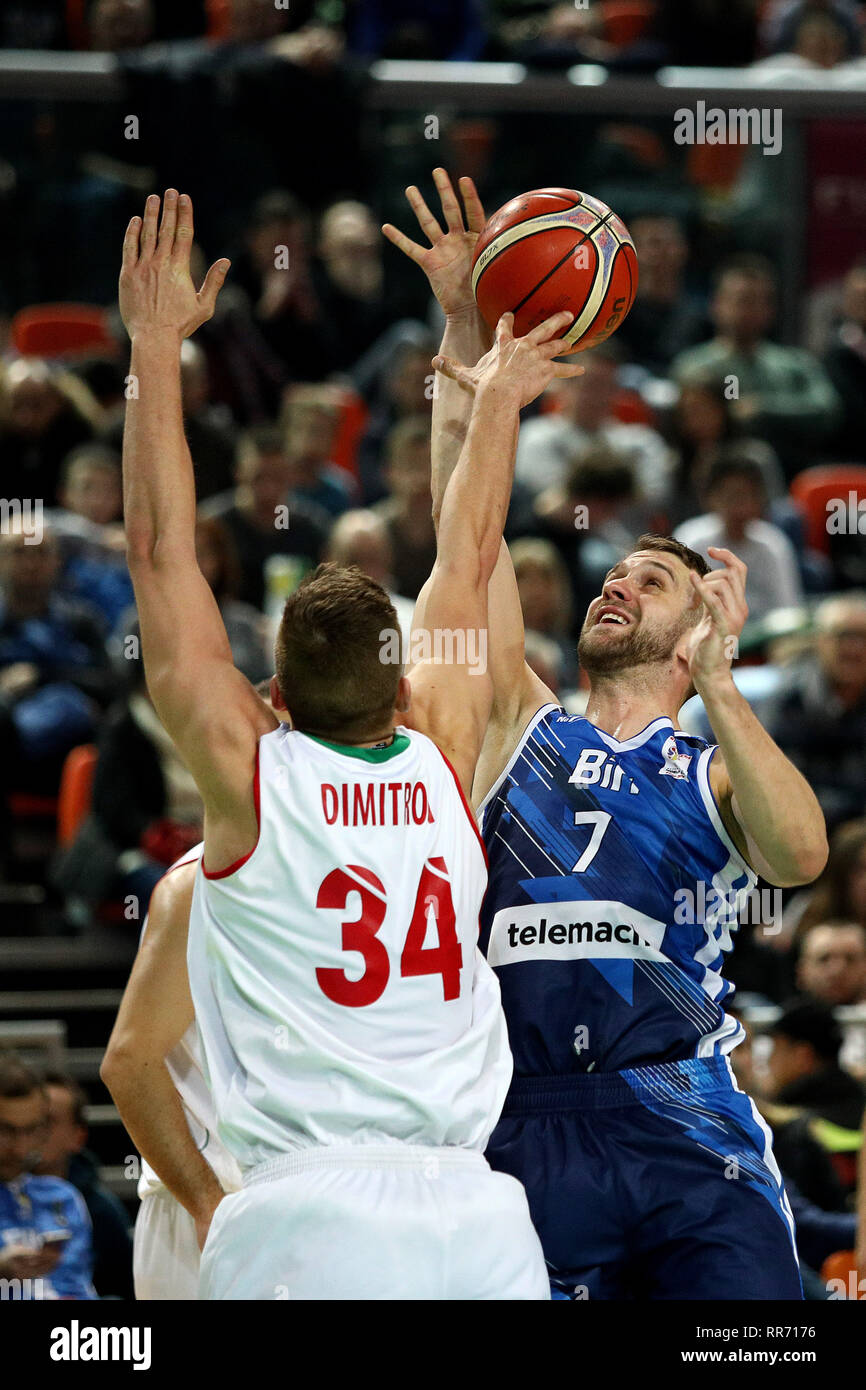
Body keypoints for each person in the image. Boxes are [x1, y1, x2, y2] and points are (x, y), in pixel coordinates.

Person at [115, 187, 582, 1299]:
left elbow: (158, 548)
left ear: (271, 692)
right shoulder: (445, 751)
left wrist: (151, 346)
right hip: (474, 1211)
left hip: (306, 1208)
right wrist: (479, 354)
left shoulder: (249, 775)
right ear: (404, 685)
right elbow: (465, 549)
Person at [388, 166, 829, 1301]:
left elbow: (798, 857)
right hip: (527, 1118)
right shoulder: (512, 726)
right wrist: (466, 328)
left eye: (652, 580)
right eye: (613, 573)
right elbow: (463, 540)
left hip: (681, 1113)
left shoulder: (711, 764)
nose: (616, 587)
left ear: (696, 632)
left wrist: (720, 686)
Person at [103, 845, 243, 1300]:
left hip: (310, 1190)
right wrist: (207, 1206)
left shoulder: (351, 858)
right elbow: (128, 1064)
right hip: (205, 1197)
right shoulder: (195, 885)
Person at [672, 256, 841, 479]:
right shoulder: (695, 365)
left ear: (770, 309)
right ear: (717, 304)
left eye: (758, 301)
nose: (748, 311)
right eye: (741, 300)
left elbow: (827, 410)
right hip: (718, 477)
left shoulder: (795, 363)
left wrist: (761, 408)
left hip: (793, 471)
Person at [753, 595, 866, 834]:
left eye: (863, 638)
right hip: (800, 830)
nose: (854, 648)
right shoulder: (787, 700)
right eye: (844, 635)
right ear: (820, 640)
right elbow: (776, 781)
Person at [0, 1052, 96, 1300]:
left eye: (31, 1129)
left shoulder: (64, 1198)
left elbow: (77, 1287)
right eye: (5, 1131)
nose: (20, 1149)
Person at [33, 1071, 134, 1299]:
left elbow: (124, 1291)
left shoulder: (101, 1211)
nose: (36, 1132)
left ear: (78, 1137)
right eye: (32, 1122)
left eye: (49, 1121)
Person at [674, 445, 803, 623]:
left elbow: (788, 608)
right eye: (733, 496)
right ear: (710, 497)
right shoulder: (691, 539)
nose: (741, 505)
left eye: (749, 495)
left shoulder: (773, 542)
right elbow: (681, 607)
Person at [767, 999, 865, 1134]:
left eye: (776, 1050)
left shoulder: (789, 1126)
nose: (769, 1061)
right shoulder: (858, 1104)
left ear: (803, 1057)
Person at [796, 920, 866, 1007]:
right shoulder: (779, 1018)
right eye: (824, 959)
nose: (837, 970)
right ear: (802, 970)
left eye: (850, 959)